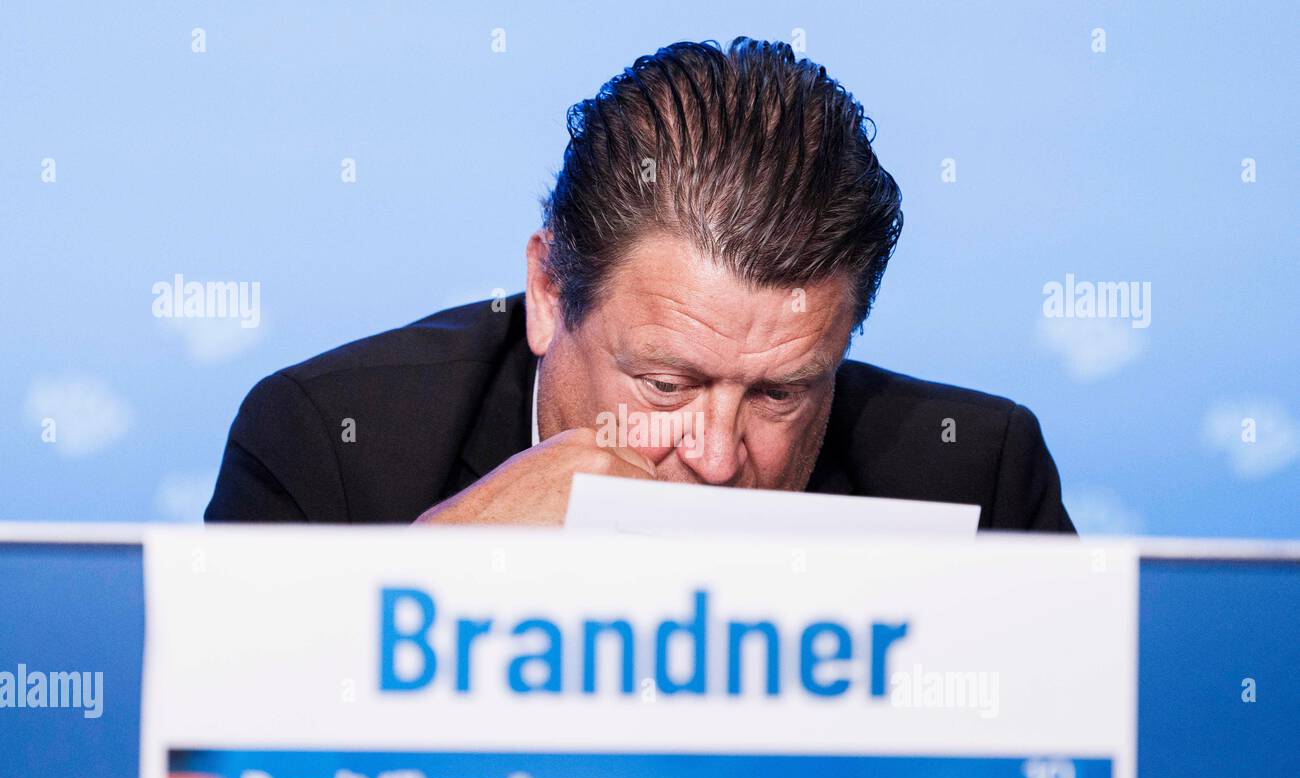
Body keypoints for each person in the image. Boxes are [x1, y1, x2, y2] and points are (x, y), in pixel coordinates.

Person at [206, 38, 1074, 532]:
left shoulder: (976, 475)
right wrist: (433, 581)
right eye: (666, 384)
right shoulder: (330, 448)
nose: (718, 457)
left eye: (778, 394)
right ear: (549, 292)